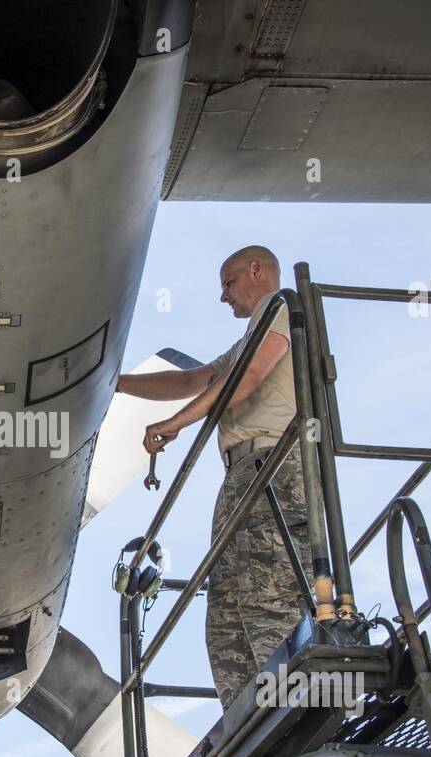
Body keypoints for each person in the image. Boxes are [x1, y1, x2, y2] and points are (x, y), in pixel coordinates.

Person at [116, 245, 312, 710]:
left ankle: (294, 713)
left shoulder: (280, 307)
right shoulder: (248, 337)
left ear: (256, 271)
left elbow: (247, 379)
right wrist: (115, 382)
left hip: (274, 468)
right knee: (226, 609)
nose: (224, 296)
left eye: (228, 282)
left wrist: (175, 424)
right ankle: (246, 721)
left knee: (269, 598)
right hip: (243, 476)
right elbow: (195, 380)